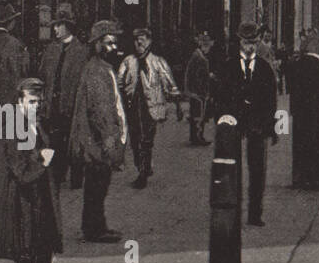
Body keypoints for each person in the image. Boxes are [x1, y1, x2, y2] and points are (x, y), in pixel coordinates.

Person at [0, 80, 67, 263]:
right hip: (22, 190)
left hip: (40, 185)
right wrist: (42, 160)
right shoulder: (13, 125)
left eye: (39, 101)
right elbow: (18, 166)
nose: (37, 106)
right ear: (19, 101)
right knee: (25, 233)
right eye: (32, 101)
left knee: (44, 228)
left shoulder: (37, 120)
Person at [68, 21, 128, 243]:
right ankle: (94, 229)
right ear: (97, 45)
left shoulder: (102, 68)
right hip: (97, 143)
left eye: (115, 42)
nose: (114, 47)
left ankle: (96, 225)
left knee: (98, 186)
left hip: (97, 141)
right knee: (96, 186)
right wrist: (110, 143)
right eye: (108, 43)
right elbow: (100, 112)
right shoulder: (97, 71)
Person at [219, 22, 279, 227]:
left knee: (257, 171)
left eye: (253, 42)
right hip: (235, 125)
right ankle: (233, 212)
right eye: (246, 43)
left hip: (257, 126)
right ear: (239, 43)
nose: (250, 47)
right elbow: (222, 98)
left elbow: (272, 100)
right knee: (232, 169)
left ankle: (255, 214)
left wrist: (271, 127)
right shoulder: (228, 67)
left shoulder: (265, 68)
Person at [118, 27, 179, 189]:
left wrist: (177, 103)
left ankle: (143, 174)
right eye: (137, 40)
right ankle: (143, 166)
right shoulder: (128, 61)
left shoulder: (157, 62)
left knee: (146, 141)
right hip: (132, 107)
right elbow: (118, 83)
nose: (139, 43)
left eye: (143, 40)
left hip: (151, 108)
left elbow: (170, 83)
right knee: (135, 141)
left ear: (149, 42)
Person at [37, 4, 85, 188]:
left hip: (72, 105)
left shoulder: (80, 51)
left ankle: (76, 177)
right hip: (53, 104)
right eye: (54, 25)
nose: (55, 29)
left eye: (59, 25)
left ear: (68, 26)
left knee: (74, 141)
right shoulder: (51, 50)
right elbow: (42, 76)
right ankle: (58, 174)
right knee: (54, 139)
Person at [288, 32, 319, 189]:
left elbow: (292, 88)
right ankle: (317, 178)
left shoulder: (297, 63)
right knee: (316, 145)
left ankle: (299, 177)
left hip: (300, 113)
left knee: (299, 145)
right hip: (316, 114)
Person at [183, 31, 217, 146]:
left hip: (196, 91)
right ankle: (197, 137)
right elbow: (197, 76)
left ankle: (196, 136)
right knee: (199, 114)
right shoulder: (200, 57)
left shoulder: (197, 55)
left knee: (197, 114)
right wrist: (208, 78)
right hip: (198, 92)